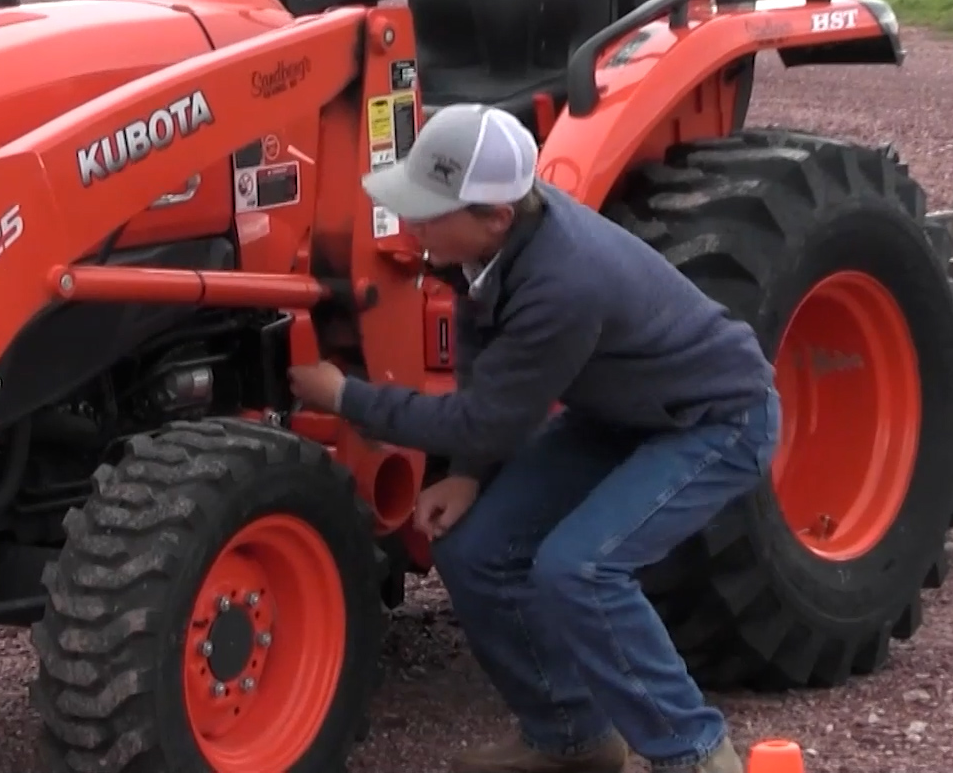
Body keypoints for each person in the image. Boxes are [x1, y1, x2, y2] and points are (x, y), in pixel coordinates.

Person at [287, 103, 782, 773]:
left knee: (582, 568)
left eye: (431, 211)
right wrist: (465, 472)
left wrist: (343, 397)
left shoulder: (562, 283)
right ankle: (572, 739)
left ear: (494, 215)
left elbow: (488, 417)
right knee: (473, 548)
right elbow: (478, 359)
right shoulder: (482, 249)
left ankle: (695, 757)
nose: (413, 223)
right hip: (619, 414)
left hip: (715, 419)